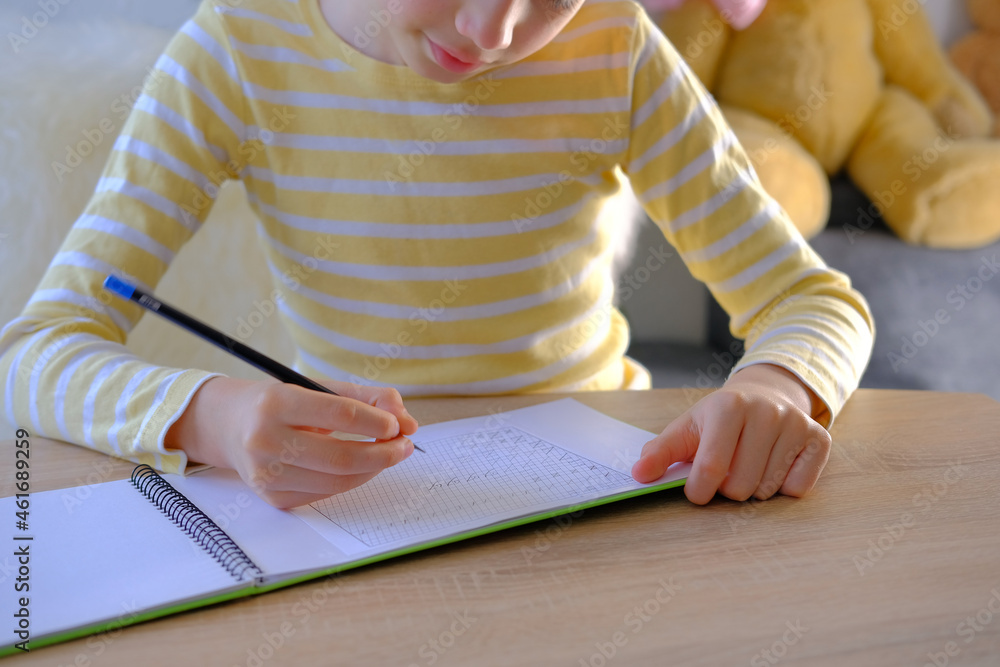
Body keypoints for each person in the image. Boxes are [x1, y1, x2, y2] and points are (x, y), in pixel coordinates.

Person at [0, 0, 873, 509]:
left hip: (602, 495)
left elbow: (813, 302)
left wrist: (777, 383)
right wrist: (213, 416)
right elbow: (33, 353)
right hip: (357, 506)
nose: (491, 30)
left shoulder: (616, 44)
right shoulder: (235, 49)